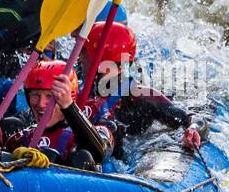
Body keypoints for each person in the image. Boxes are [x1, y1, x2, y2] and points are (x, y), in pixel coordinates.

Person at [78, 21, 205, 151]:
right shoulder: (82, 84)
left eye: (83, 51)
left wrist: (193, 129)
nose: (78, 56)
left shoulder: (140, 96)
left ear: (103, 58)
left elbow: (191, 118)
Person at [2, 60, 113, 170]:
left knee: (83, 157)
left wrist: (69, 106)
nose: (41, 104)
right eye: (35, 95)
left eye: (50, 96)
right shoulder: (21, 138)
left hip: (72, 185)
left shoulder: (93, 133)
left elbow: (100, 154)